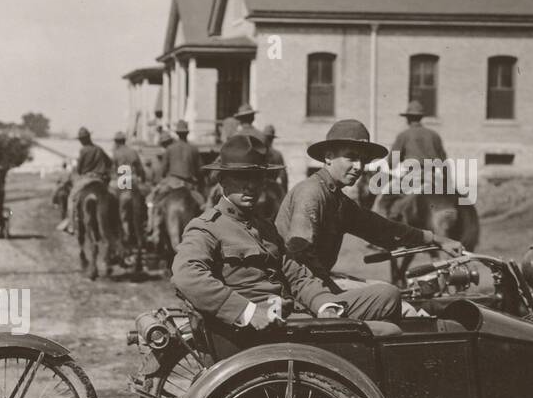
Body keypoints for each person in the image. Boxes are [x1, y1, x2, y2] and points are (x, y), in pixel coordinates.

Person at [172, 134, 403, 327]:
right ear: (222, 180)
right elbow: (187, 276)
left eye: (257, 177)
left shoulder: (264, 227)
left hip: (289, 317)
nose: (251, 186)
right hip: (256, 330)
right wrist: (248, 312)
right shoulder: (206, 228)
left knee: (387, 295)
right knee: (385, 333)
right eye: (241, 177)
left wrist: (324, 304)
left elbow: (295, 273)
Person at [275, 118, 464, 290]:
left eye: (363, 160)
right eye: (351, 157)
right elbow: (299, 255)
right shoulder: (312, 193)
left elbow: (382, 228)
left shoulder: (337, 199)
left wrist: (436, 239)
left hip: (314, 281)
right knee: (388, 295)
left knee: (394, 292)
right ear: (328, 156)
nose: (359, 167)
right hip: (297, 289)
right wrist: (331, 288)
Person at [64, 127, 113, 229]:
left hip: (86, 179)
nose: (81, 141)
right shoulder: (99, 149)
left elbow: (79, 169)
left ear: (83, 139)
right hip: (100, 180)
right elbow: (109, 163)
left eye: (81, 139)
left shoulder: (83, 150)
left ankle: (71, 225)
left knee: (71, 198)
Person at [262, 124, 287, 192]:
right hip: (272, 189)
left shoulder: (259, 153)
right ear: (272, 139)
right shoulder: (277, 154)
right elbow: (283, 177)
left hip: (260, 189)